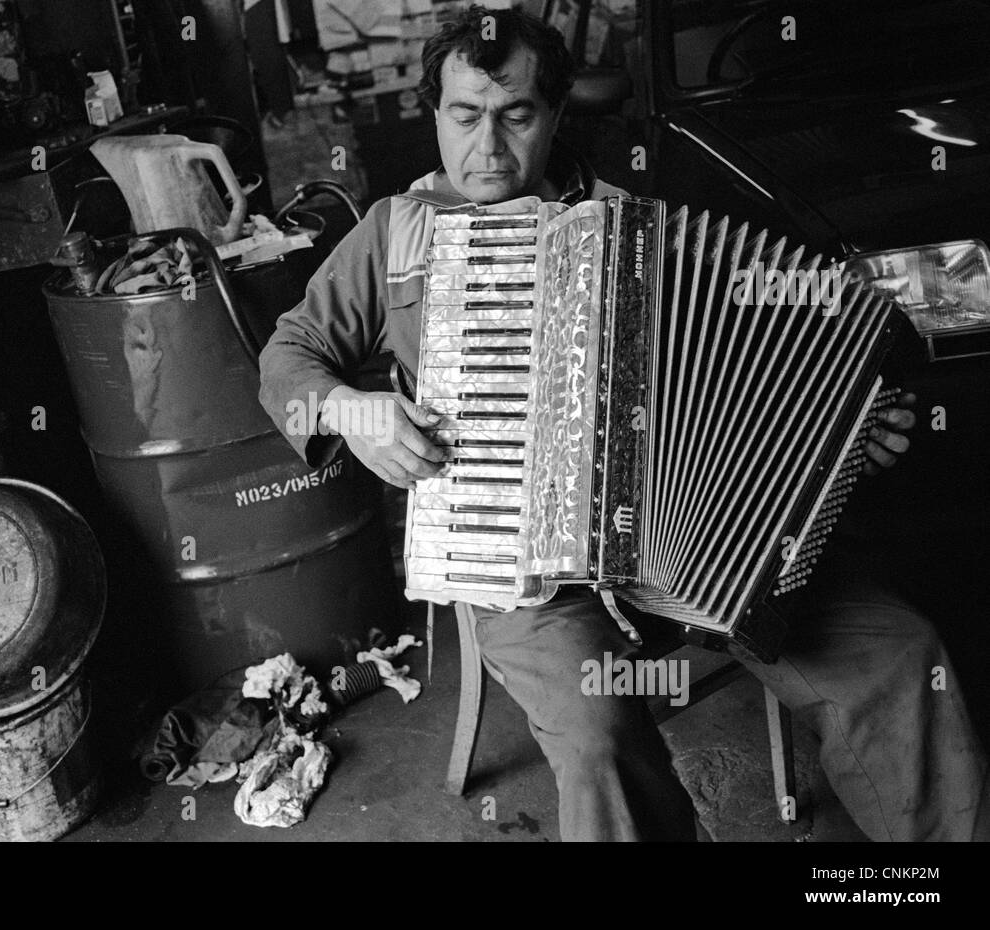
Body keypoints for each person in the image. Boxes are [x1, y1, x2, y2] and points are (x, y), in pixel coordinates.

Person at [258, 4, 988, 841]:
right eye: (464, 116)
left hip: (711, 548)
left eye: (517, 114)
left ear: (557, 115)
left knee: (900, 656)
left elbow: (759, 384)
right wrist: (350, 407)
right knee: (597, 734)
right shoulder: (396, 232)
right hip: (526, 571)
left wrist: (850, 432)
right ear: (434, 113)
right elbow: (289, 357)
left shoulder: (638, 230)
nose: (487, 146)